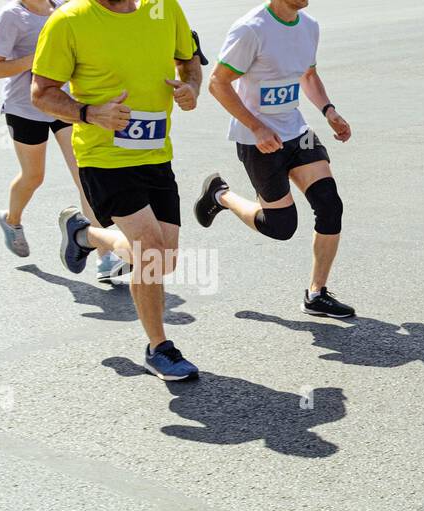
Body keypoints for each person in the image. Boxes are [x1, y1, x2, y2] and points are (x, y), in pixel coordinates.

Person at [31, 0, 204, 381]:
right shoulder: (68, 21)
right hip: (103, 156)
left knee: (164, 260)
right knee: (150, 251)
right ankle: (159, 348)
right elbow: (41, 92)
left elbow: (189, 60)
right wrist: (90, 113)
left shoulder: (164, 8)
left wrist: (191, 86)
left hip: (156, 154)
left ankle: (85, 234)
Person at [194, 0, 355, 319]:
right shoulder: (251, 29)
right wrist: (256, 126)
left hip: (296, 131)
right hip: (257, 140)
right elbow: (217, 83)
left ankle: (316, 293)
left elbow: (308, 76)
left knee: (329, 204)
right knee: (280, 227)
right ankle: (220, 195)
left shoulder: (309, 26)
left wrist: (329, 110)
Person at [0, 0, 123, 283]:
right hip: (24, 108)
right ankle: (12, 221)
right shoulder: (11, 16)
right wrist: (40, 55)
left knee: (85, 175)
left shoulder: (62, 7)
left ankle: (105, 256)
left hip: (63, 103)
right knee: (34, 176)